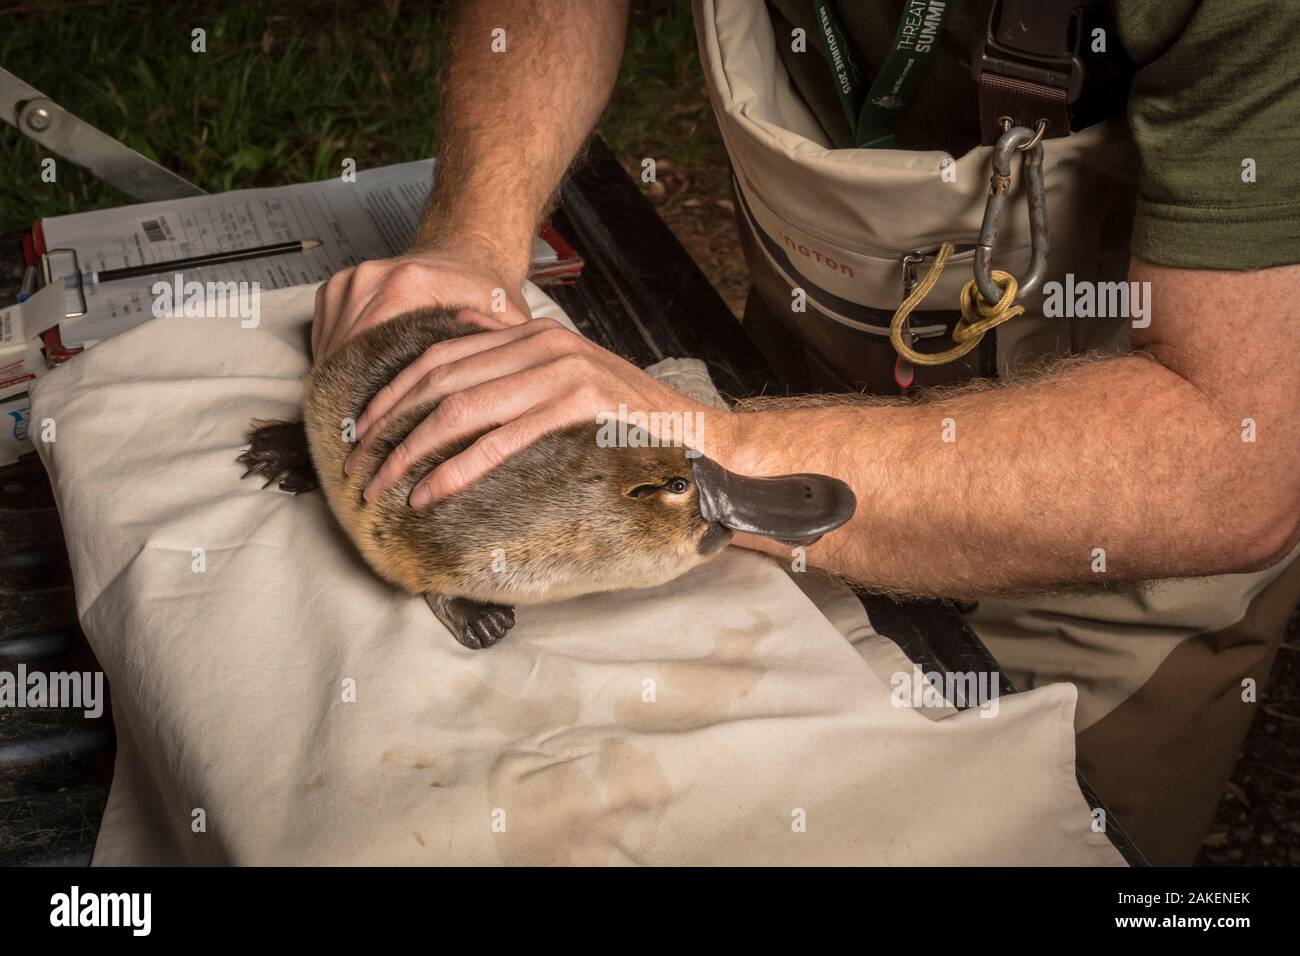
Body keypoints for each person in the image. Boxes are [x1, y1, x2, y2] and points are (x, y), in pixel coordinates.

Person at [311, 0, 1300, 864]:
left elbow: (1234, 455)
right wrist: (477, 236)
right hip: (797, 358)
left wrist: (721, 458)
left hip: (1119, 517)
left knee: (996, 824)